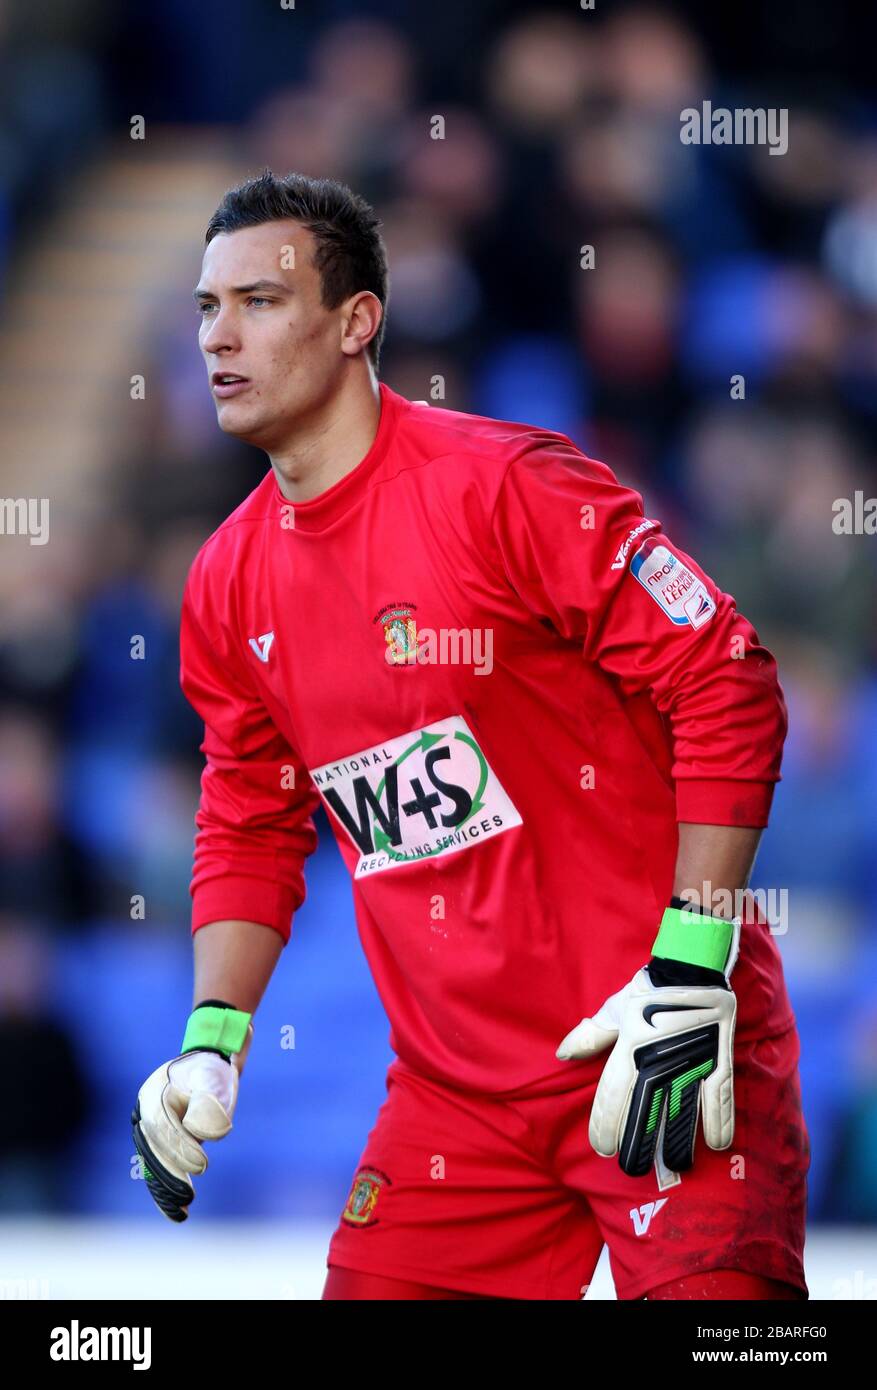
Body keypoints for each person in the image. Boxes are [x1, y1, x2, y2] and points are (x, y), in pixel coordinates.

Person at [131, 170, 809, 1301]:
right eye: (206, 308)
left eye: (258, 301)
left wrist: (690, 969)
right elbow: (250, 819)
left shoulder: (508, 489)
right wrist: (212, 1034)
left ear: (358, 323)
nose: (218, 337)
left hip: (656, 1036)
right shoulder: (225, 583)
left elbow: (726, 678)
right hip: (457, 1101)